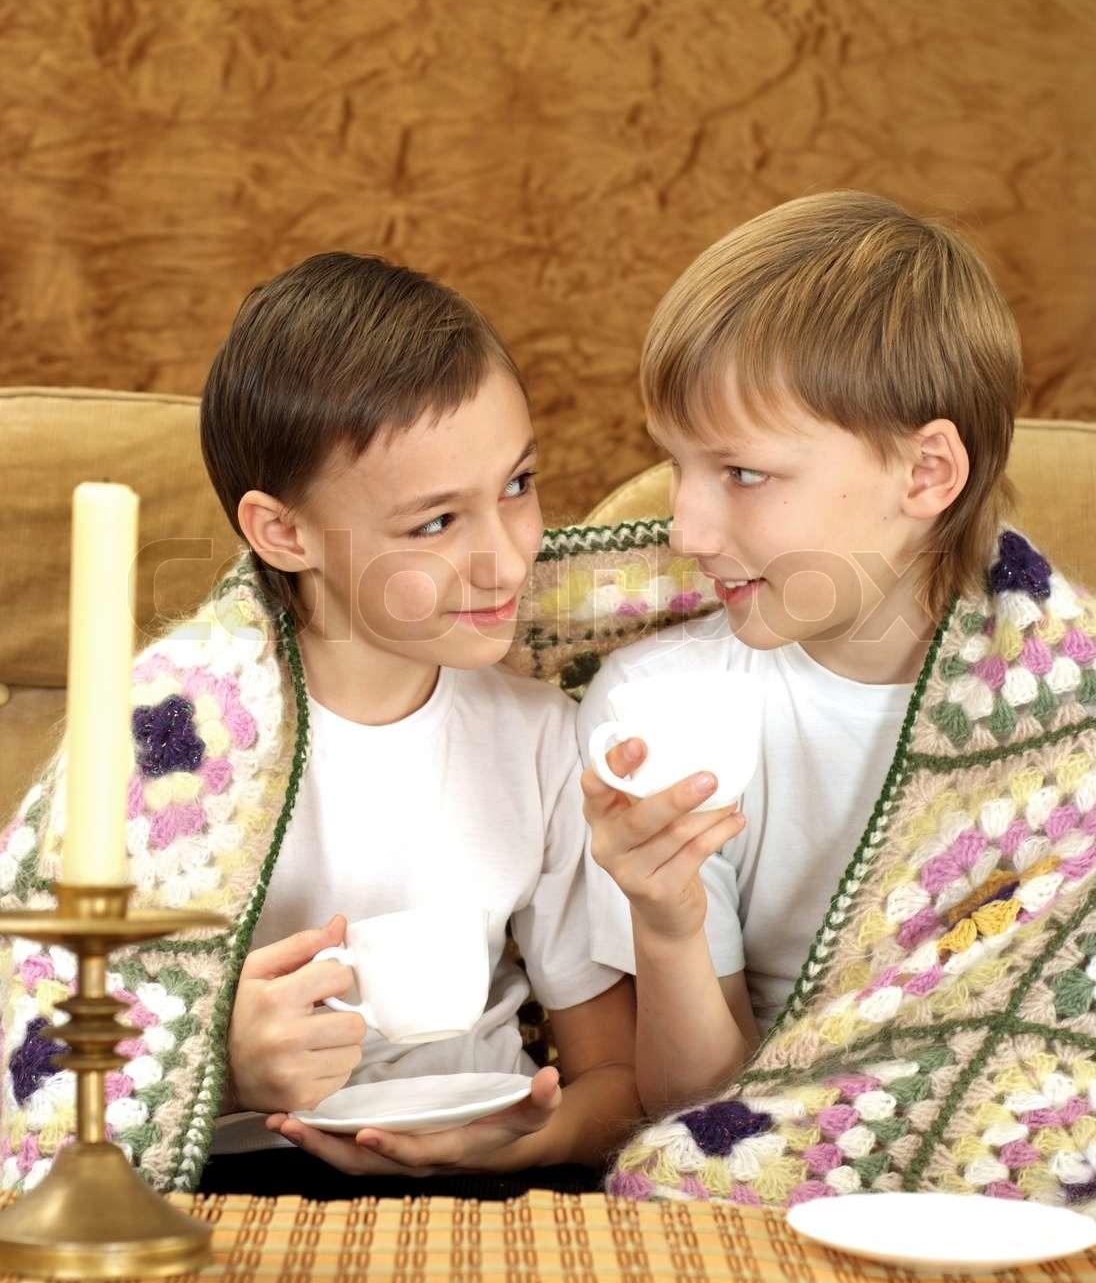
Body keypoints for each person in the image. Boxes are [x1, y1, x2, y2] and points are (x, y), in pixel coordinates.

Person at [0, 253, 638, 1198]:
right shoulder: (162, 742)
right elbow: (38, 1051)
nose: (505, 562)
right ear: (285, 533)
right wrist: (222, 1068)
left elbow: (618, 1084)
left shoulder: (543, 735)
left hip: (494, 1192)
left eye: (518, 484)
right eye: (433, 525)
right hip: (228, 1187)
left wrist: (514, 1144)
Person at [578, 189, 1083, 1130]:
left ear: (927, 473)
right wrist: (668, 920)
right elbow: (695, 1112)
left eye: (743, 473)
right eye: (675, 464)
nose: (686, 526)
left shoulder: (1067, 711)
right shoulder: (658, 706)